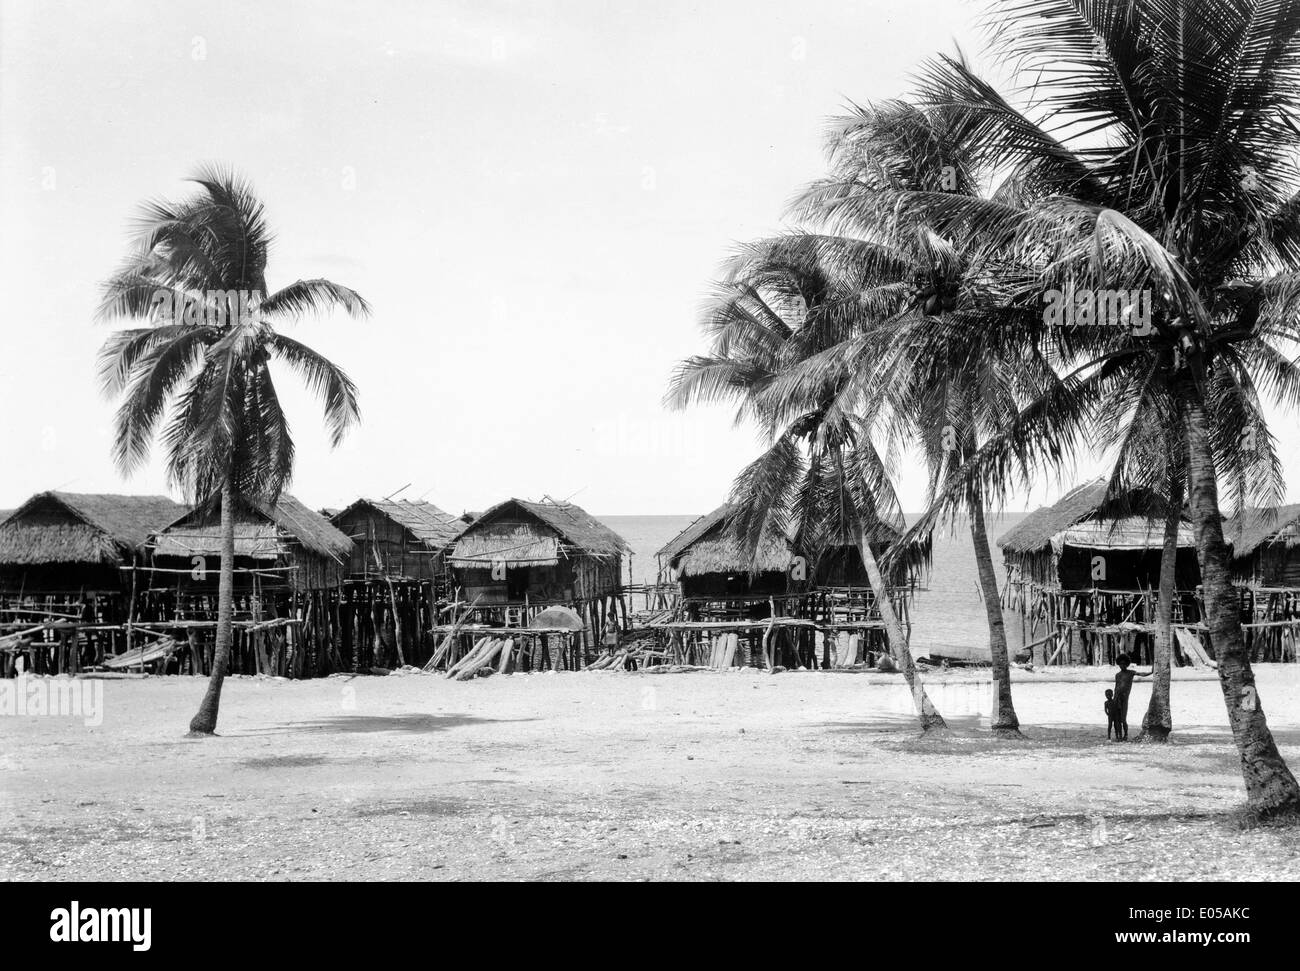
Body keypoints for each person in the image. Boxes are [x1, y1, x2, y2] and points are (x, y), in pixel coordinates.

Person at [1112, 654, 1152, 740]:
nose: (1122, 665)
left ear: (1127, 664)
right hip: (1117, 698)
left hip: (1124, 698)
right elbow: (1116, 687)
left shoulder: (1131, 673)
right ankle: (1119, 736)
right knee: (1117, 719)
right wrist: (1114, 699)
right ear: (1118, 664)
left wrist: (1151, 672)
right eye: (1120, 664)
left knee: (1123, 719)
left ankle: (1125, 735)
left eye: (1124, 663)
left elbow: (1141, 674)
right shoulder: (1117, 675)